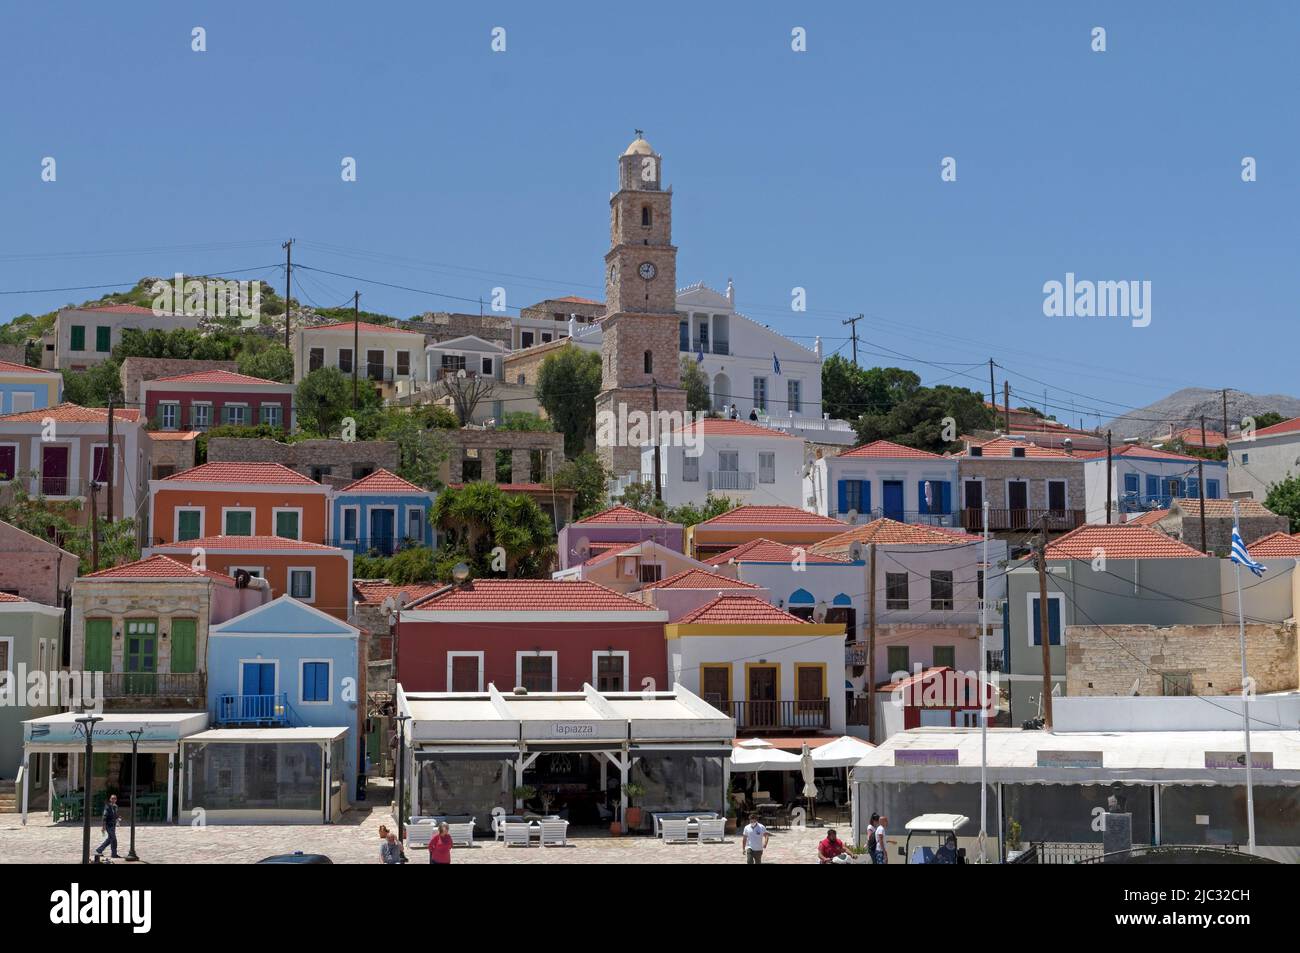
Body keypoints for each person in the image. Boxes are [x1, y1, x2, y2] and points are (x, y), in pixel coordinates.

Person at [94, 794, 120, 859]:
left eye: (115, 799)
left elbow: (115, 815)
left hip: (113, 825)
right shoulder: (107, 807)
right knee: (114, 839)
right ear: (110, 799)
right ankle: (114, 854)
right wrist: (103, 826)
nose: (114, 800)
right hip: (109, 825)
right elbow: (104, 817)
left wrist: (118, 818)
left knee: (110, 839)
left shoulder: (116, 806)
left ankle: (99, 850)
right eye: (112, 798)